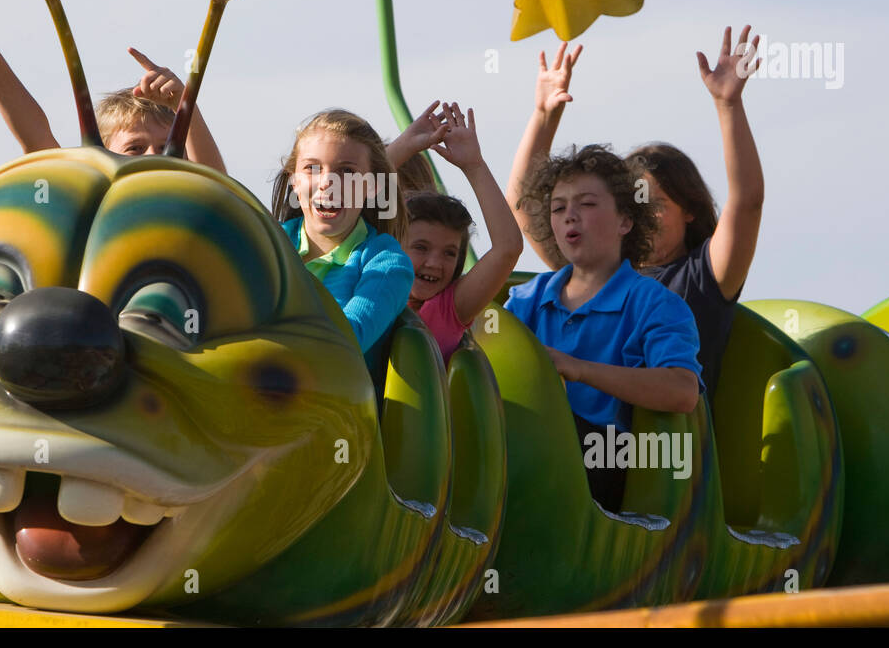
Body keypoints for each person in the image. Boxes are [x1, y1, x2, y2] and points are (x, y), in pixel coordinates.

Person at [507, 27, 765, 401]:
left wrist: (729, 106)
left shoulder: (700, 279)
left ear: (690, 209)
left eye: (654, 204)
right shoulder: (590, 263)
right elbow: (525, 204)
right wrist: (544, 116)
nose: (642, 215)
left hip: (654, 450)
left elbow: (747, 203)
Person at [506, 144, 703, 511]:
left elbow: (682, 390)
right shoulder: (525, 300)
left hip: (607, 457)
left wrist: (577, 369)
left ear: (625, 221)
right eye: (559, 207)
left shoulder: (655, 303)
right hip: (527, 446)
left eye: (587, 204)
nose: (570, 216)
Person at [0, 0, 226, 170]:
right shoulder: (93, 201)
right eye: (135, 147)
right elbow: (37, 141)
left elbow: (219, 191)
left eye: (167, 146)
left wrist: (185, 106)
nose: (153, 155)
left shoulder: (198, 201)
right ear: (102, 156)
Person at [270, 110, 413, 372]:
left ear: (372, 186)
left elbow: (344, 342)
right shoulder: (266, 244)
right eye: (312, 168)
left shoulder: (386, 264)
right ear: (294, 180)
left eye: (346, 171)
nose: (327, 182)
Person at [387, 101, 523, 364]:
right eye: (421, 247)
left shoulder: (450, 308)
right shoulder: (367, 288)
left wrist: (474, 166)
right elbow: (347, 202)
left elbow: (508, 248)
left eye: (450, 253)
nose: (435, 263)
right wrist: (406, 145)